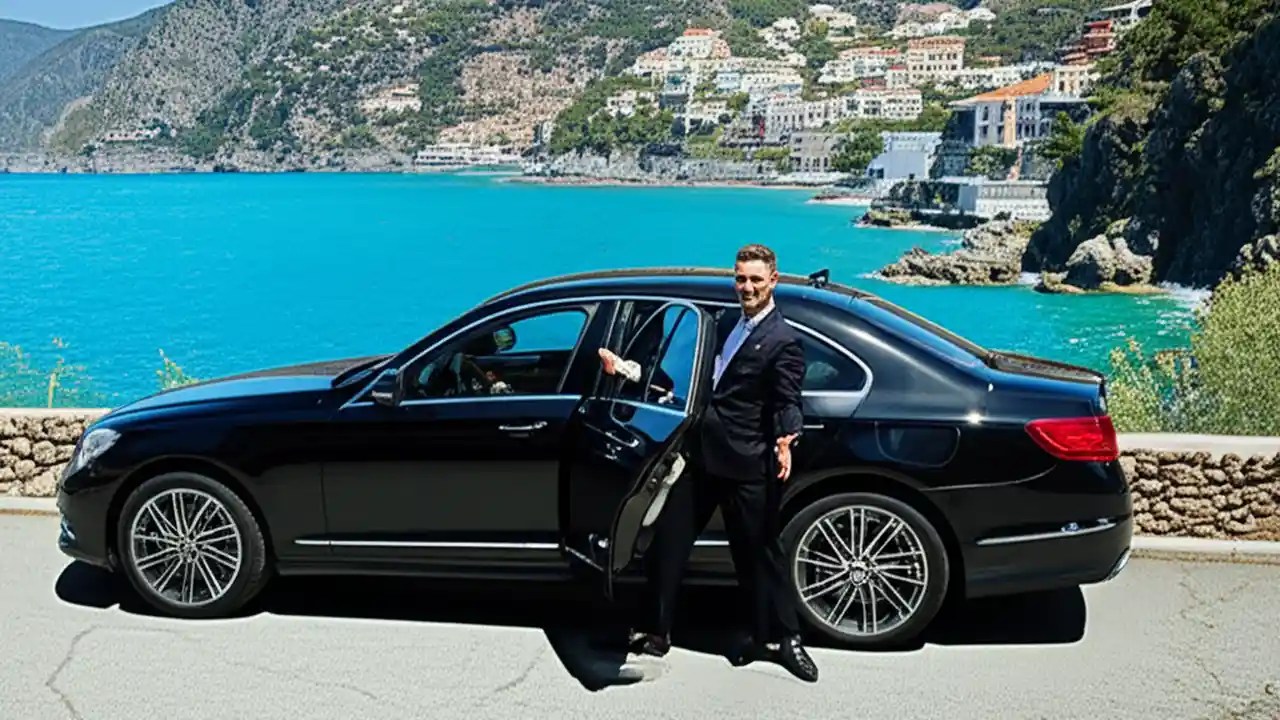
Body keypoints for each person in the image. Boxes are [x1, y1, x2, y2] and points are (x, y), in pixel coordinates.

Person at [597, 243, 819, 683]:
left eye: (756, 279)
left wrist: (786, 438)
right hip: (700, 456)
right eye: (741, 278)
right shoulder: (721, 325)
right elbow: (690, 379)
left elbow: (786, 400)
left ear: (773, 280)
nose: (747, 287)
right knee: (668, 543)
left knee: (759, 555)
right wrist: (628, 371)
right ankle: (657, 632)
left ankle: (784, 639)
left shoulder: (783, 341)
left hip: (747, 463)